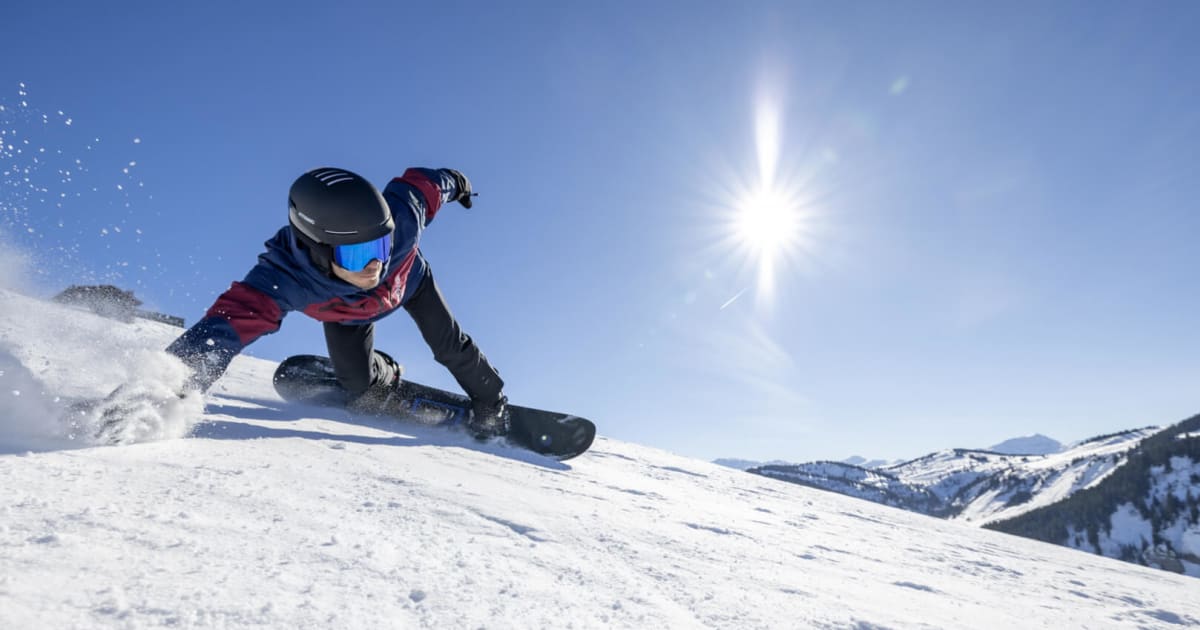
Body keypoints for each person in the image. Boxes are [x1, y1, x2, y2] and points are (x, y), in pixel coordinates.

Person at [164, 166, 509, 438]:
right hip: (348, 317)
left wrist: (460, 183)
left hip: (412, 286)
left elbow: (432, 183)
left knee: (450, 345)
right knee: (361, 392)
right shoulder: (283, 277)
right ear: (319, 249)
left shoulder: (405, 214)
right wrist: (165, 392)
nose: (376, 265)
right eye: (358, 255)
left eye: (381, 246)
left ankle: (493, 403)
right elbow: (223, 330)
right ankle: (381, 374)